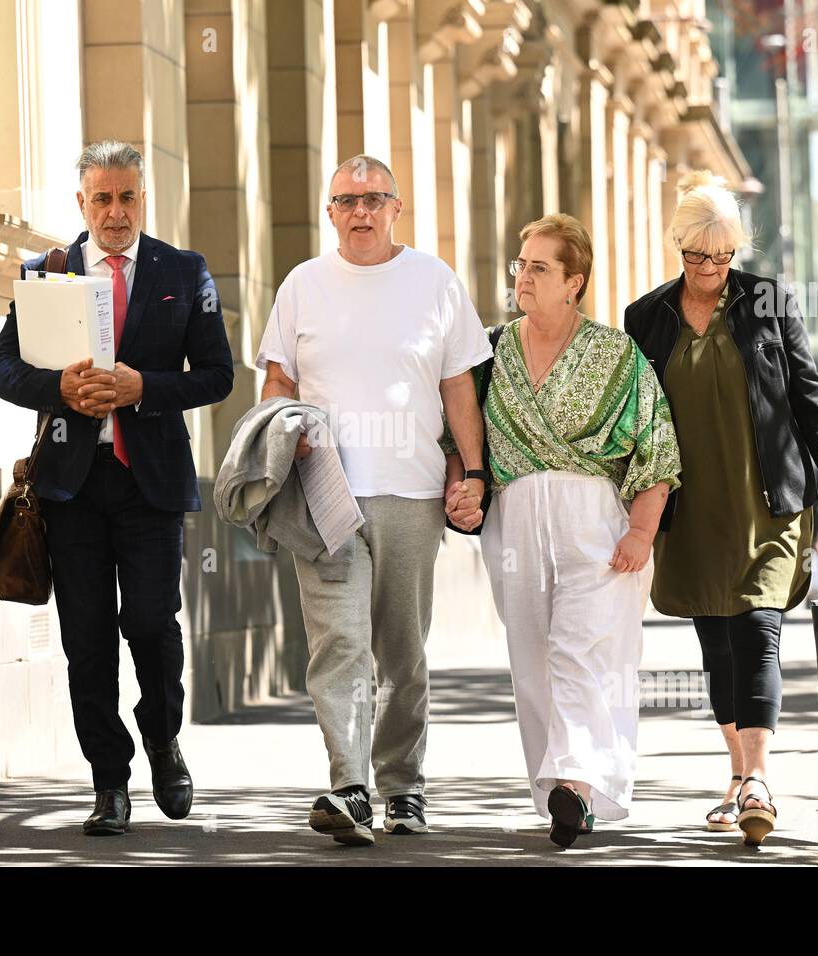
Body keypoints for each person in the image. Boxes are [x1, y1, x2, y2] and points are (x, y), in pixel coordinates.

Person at [624, 170, 818, 847]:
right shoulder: (645, 318)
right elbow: (634, 419)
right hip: (692, 507)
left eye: (723, 256)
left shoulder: (768, 302)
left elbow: (809, 399)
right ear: (678, 247)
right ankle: (737, 777)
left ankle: (761, 777)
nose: (711, 270)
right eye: (697, 257)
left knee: (759, 631)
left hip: (767, 501)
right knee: (717, 646)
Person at [0, 141, 234, 835]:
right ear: (82, 203)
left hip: (149, 483)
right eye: (103, 198)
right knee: (87, 640)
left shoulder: (184, 272)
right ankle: (109, 781)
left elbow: (217, 374)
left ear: (141, 197)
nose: (116, 211)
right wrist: (58, 387)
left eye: (127, 197)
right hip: (71, 488)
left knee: (151, 624)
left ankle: (162, 738)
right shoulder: (46, 272)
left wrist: (143, 386)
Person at [256, 154, 493, 846]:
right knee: (339, 644)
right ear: (330, 212)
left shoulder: (435, 282)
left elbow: (459, 390)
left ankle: (404, 786)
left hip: (413, 493)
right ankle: (350, 785)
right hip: (325, 495)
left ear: (396, 209)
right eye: (346, 200)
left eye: (374, 198)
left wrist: (472, 474)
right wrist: (286, 431)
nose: (360, 211)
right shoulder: (303, 285)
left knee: (401, 651)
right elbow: (277, 382)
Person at [442, 214, 681, 847]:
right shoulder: (487, 352)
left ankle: (575, 784)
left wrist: (640, 530)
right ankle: (560, 785)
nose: (523, 276)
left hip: (595, 525)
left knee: (581, 651)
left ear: (573, 282)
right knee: (534, 662)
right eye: (521, 264)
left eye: (539, 266)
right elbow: (462, 442)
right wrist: (463, 487)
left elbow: (656, 449)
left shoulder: (615, 354)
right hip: (516, 525)